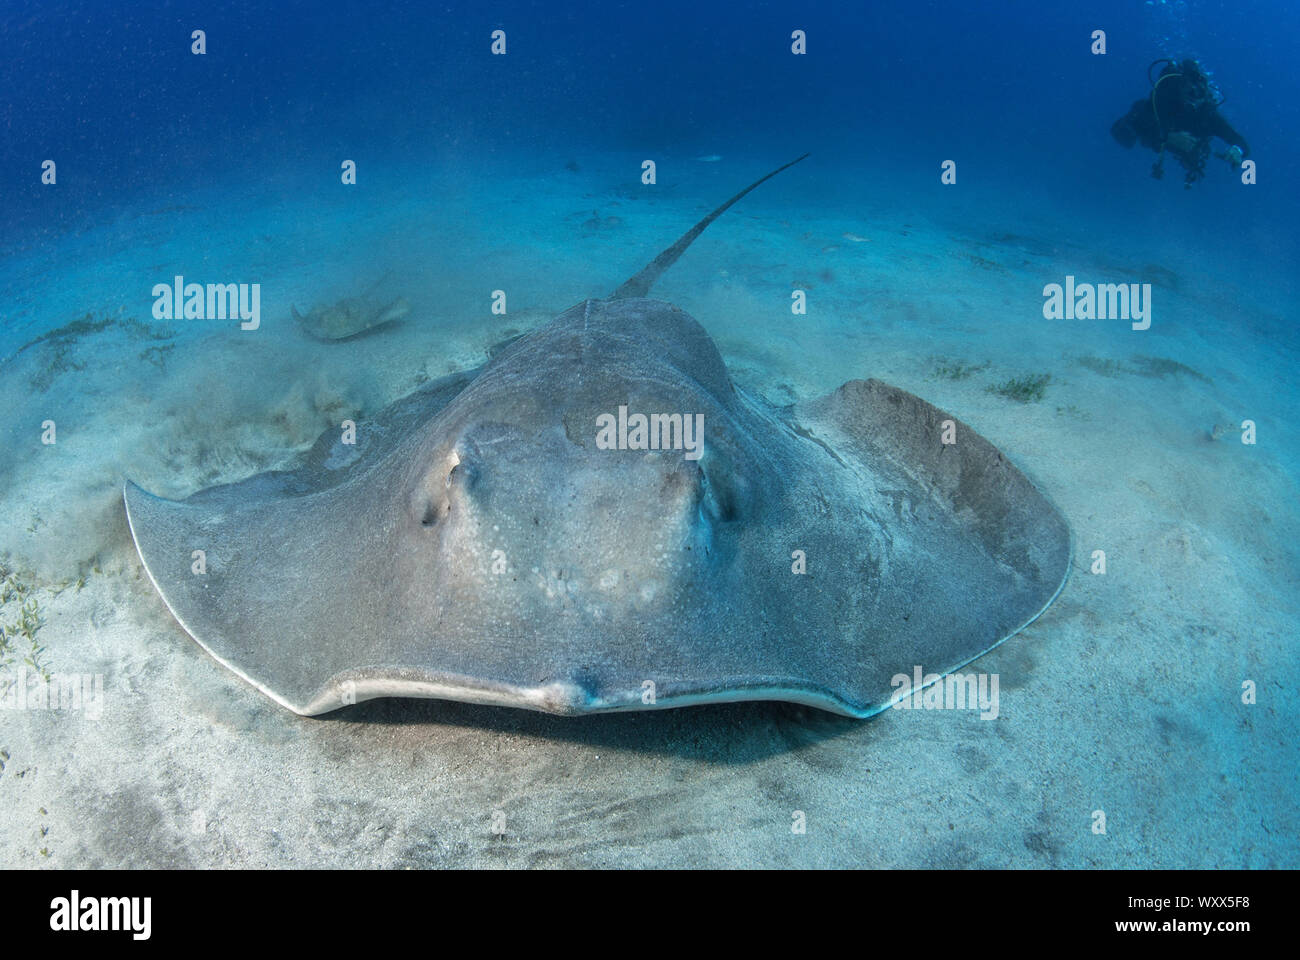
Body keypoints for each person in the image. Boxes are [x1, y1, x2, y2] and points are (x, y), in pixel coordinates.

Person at [1111, 58, 1250, 188]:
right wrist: (1167, 136)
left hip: (1186, 152)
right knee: (1129, 133)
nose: (1193, 100)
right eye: (1189, 92)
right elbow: (1124, 127)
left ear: (1206, 95)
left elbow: (1239, 140)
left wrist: (1237, 150)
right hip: (1156, 132)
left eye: (1199, 95)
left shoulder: (1209, 115)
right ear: (1180, 89)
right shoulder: (1163, 101)